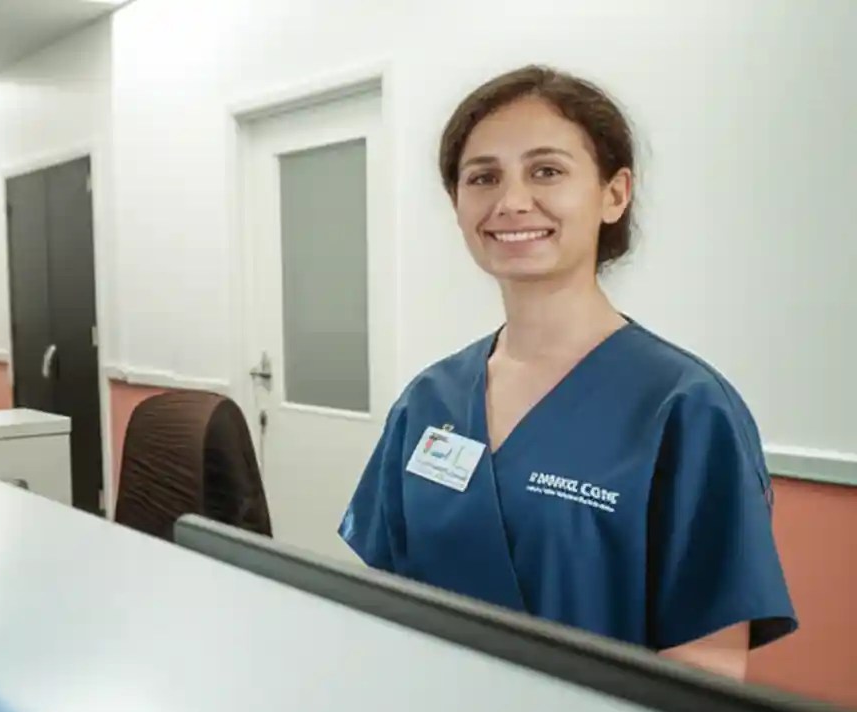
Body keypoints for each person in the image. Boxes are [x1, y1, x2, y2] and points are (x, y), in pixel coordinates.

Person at [339, 65, 796, 679]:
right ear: (457, 205)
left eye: (547, 171)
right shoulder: (428, 402)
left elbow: (704, 672)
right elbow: (384, 603)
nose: (511, 202)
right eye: (483, 177)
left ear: (614, 193)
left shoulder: (685, 409)